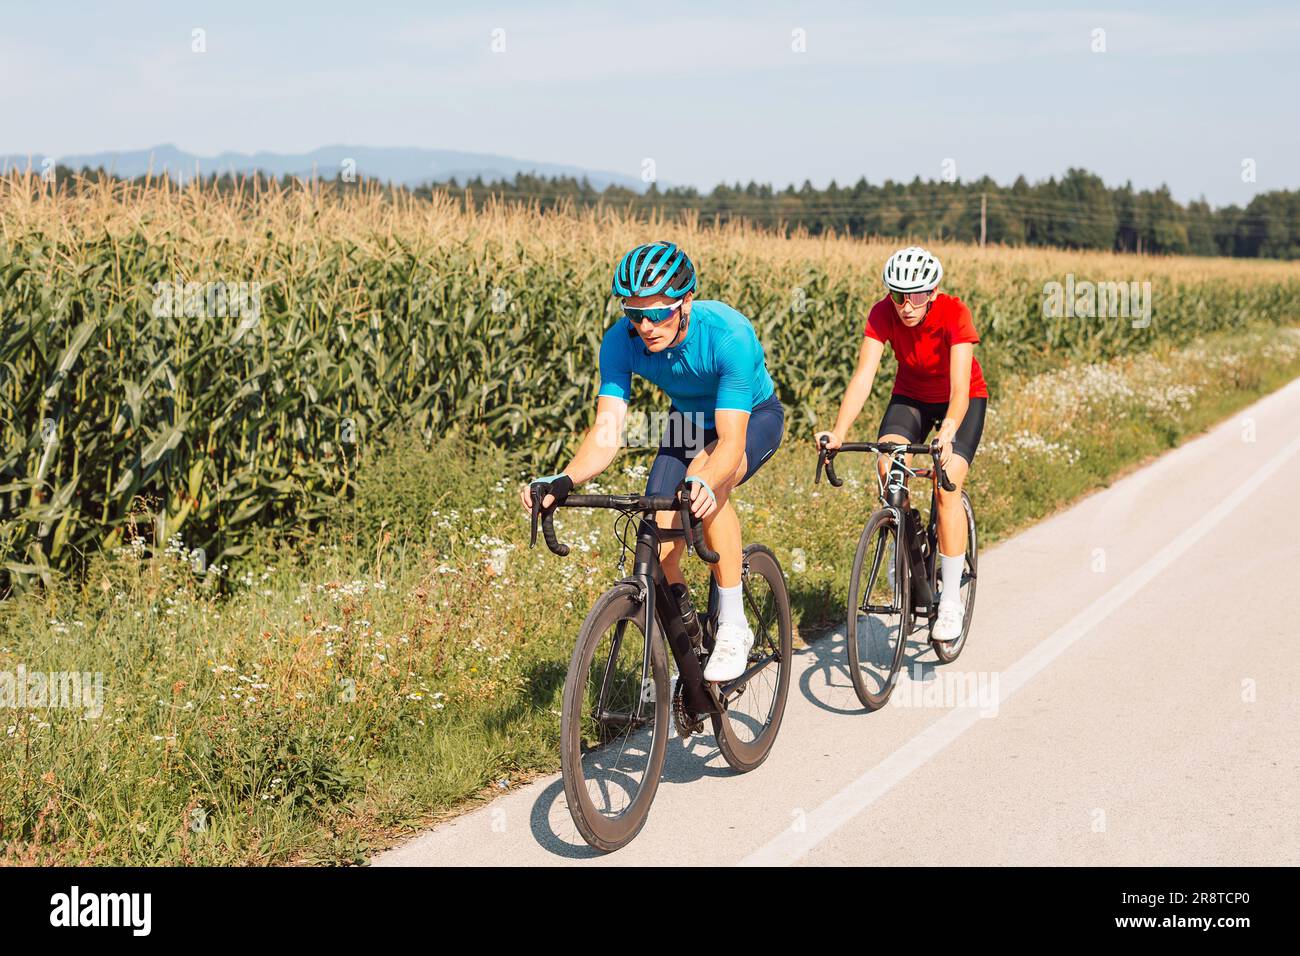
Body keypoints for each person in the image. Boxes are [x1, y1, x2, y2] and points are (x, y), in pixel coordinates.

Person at [520, 241, 785, 681]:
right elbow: (606, 435)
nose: (645, 325)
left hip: (751, 418)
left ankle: (734, 624)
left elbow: (731, 444)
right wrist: (562, 479)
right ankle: (691, 641)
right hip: (687, 423)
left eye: (658, 312)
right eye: (634, 313)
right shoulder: (621, 343)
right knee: (658, 545)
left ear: (686, 303)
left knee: (707, 479)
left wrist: (704, 478)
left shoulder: (728, 335)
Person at [815, 245, 988, 642]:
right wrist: (839, 431)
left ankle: (949, 604)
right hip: (910, 397)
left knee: (946, 486)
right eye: (897, 295)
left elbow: (960, 389)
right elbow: (864, 377)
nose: (906, 306)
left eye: (917, 296)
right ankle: (906, 546)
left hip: (960, 400)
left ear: (935, 291)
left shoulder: (955, 313)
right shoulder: (881, 314)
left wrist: (947, 430)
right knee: (886, 463)